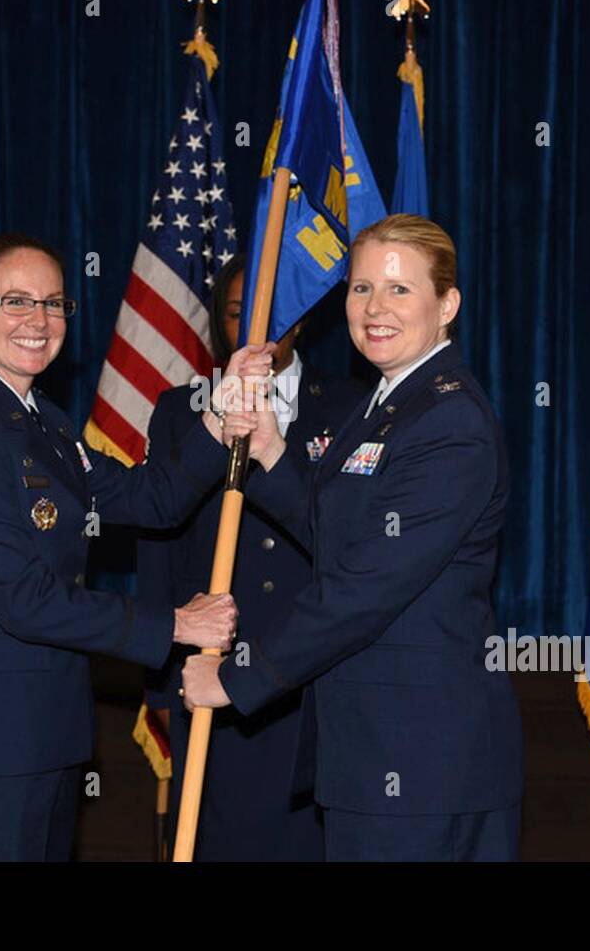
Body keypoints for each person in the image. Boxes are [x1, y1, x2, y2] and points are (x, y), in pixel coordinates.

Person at [0, 232, 270, 861]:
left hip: (47, 735)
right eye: (15, 302)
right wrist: (174, 623)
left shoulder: (43, 420)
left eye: (53, 304)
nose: (38, 322)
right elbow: (24, 600)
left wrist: (220, 411)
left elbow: (151, 499)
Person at [182, 214, 524, 862]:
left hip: (422, 766)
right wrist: (272, 451)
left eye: (399, 289)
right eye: (361, 288)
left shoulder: (449, 418)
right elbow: (341, 530)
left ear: (447, 303)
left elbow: (364, 585)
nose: (374, 308)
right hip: (371, 757)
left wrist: (236, 677)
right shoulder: (390, 401)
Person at [140, 256, 364, 861]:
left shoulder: (353, 409)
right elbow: (161, 539)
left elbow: (357, 545)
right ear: (221, 323)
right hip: (212, 668)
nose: (259, 329)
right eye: (240, 314)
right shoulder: (183, 411)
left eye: (274, 312)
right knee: (220, 835)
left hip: (309, 670)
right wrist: (163, 677)